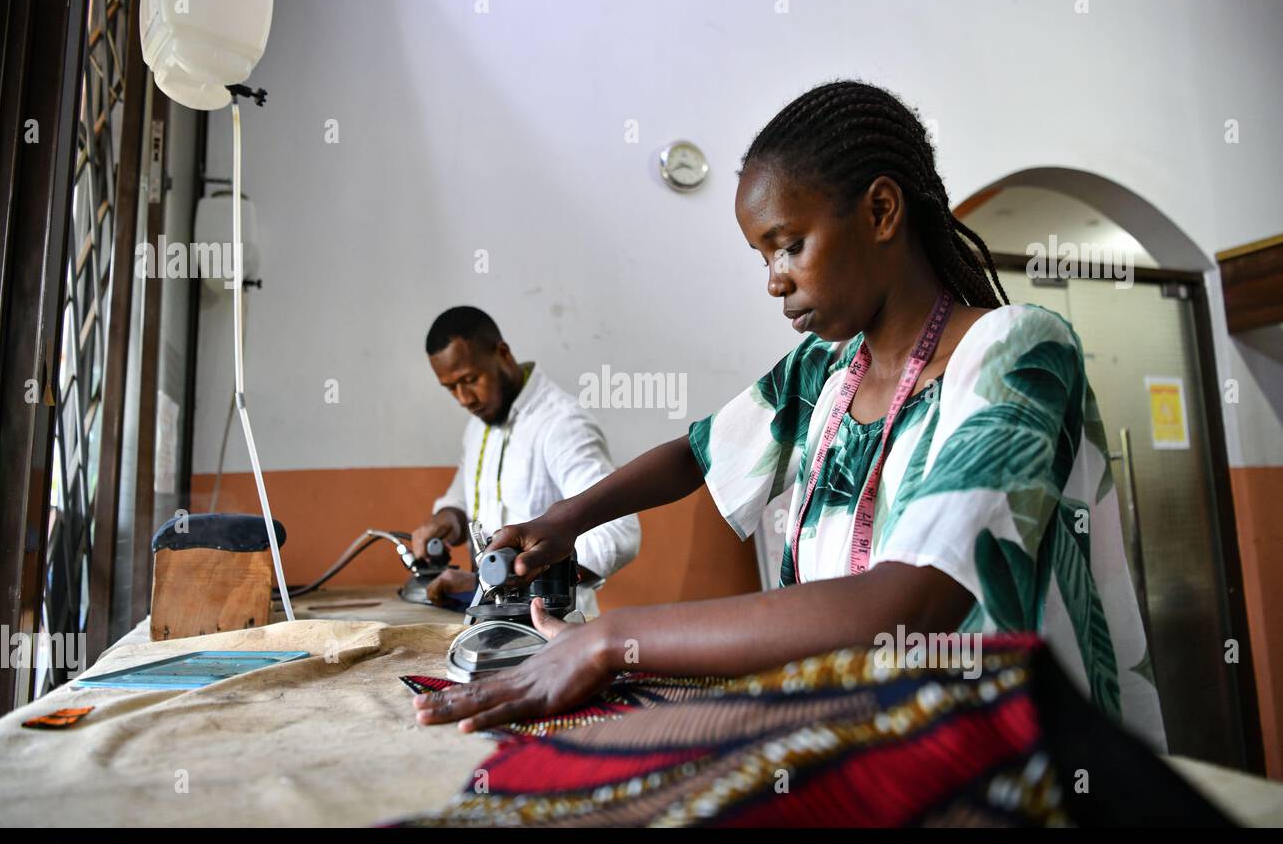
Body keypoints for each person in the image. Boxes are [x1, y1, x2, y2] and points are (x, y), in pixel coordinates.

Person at [413, 81, 1166, 752]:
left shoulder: (1016, 353)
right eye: (761, 257)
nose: (774, 281)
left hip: (1022, 761)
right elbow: (696, 454)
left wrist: (613, 640)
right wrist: (568, 519)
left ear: (880, 211)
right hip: (866, 745)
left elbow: (908, 603)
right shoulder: (825, 375)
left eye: (789, 245)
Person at [411, 307, 640, 618]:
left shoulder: (561, 424)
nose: (464, 398)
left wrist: (512, 577)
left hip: (555, 627)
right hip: (489, 620)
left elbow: (619, 533)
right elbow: (462, 500)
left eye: (470, 379)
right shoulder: (479, 424)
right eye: (451, 388)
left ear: (502, 354)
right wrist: (447, 521)